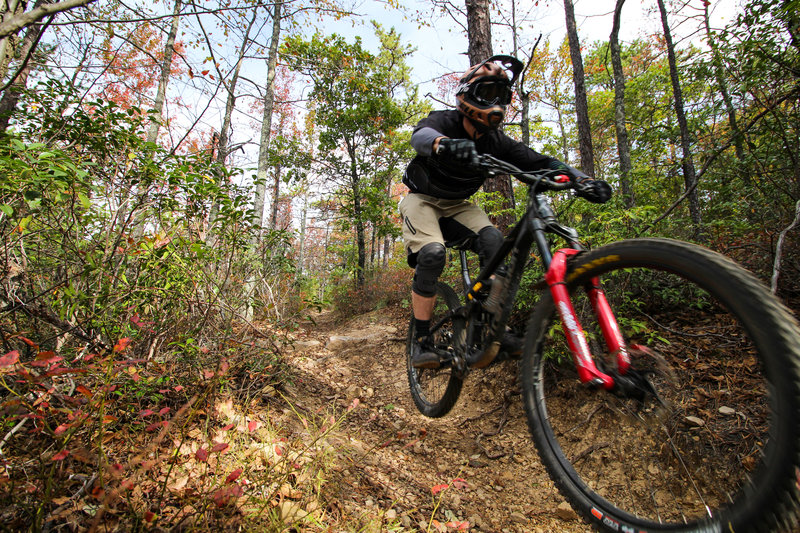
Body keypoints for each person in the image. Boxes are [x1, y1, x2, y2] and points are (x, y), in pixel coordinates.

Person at [399, 55, 611, 369]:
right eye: (488, 95)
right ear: (468, 94)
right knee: (432, 255)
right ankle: (420, 343)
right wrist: (444, 144)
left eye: (502, 97)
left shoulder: (497, 142)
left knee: (495, 243)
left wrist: (581, 179)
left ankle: (490, 329)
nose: (495, 103)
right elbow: (421, 137)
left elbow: (539, 162)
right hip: (421, 200)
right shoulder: (445, 120)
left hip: (458, 206)